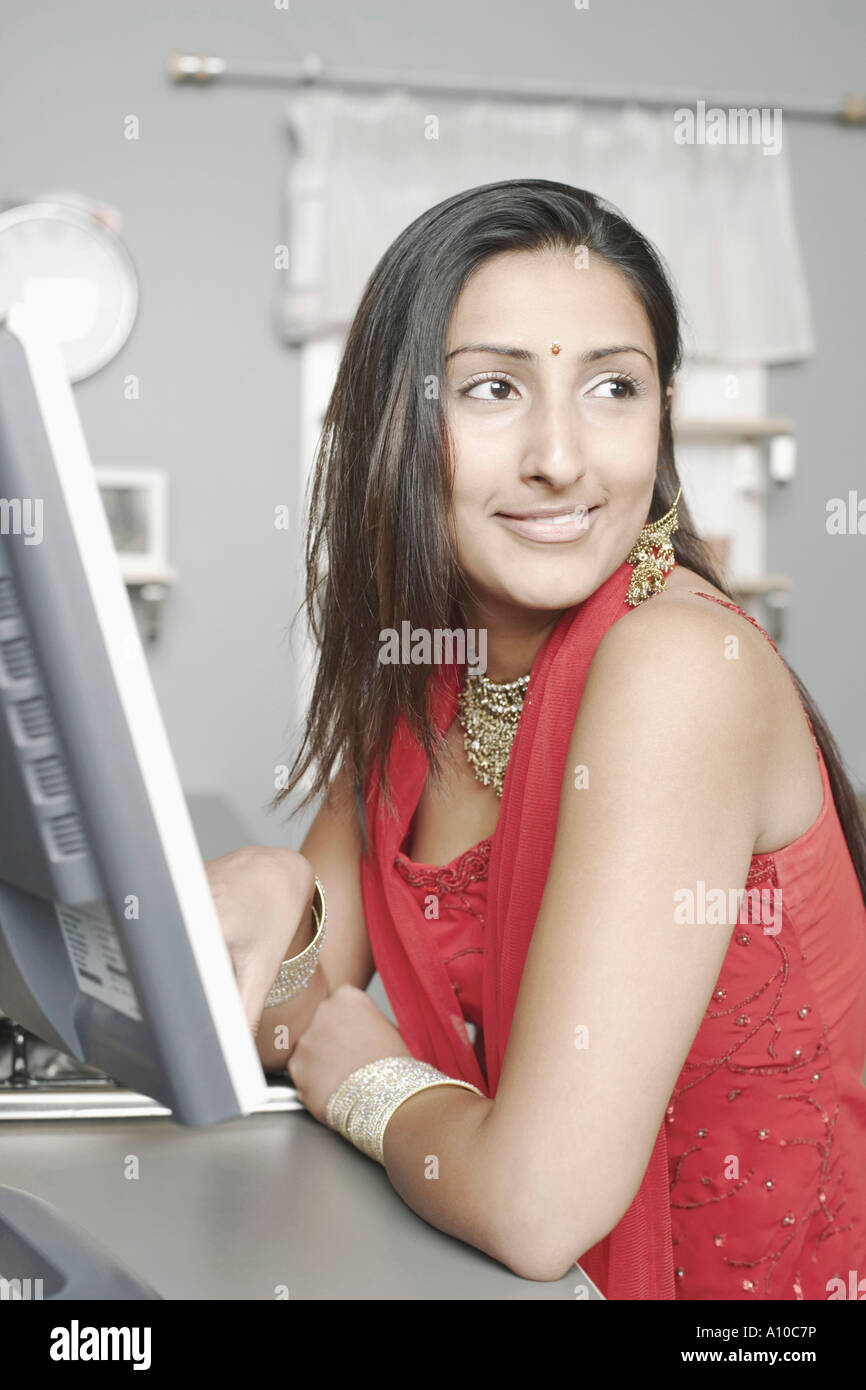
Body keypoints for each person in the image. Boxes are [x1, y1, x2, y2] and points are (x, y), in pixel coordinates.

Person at [208, 179, 866, 1300]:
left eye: (612, 385)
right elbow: (275, 1015)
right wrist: (288, 900)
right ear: (398, 421)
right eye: (494, 388)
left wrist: (372, 1081)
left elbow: (533, 1204)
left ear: (661, 415)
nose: (560, 456)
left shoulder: (675, 671)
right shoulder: (430, 674)